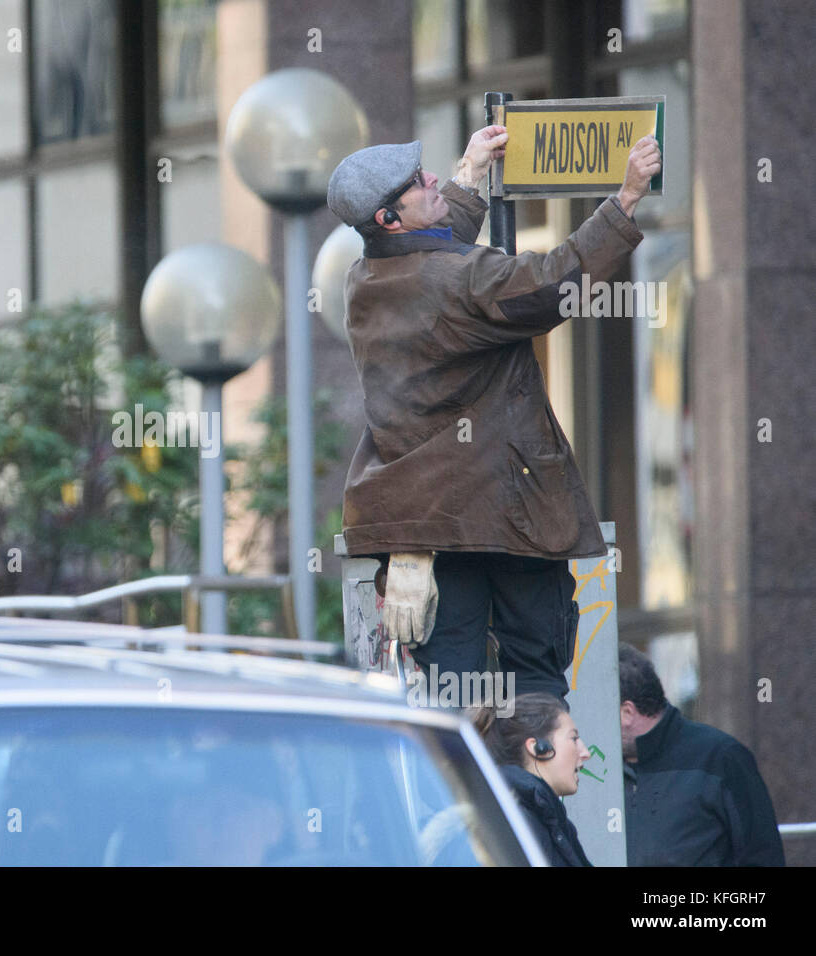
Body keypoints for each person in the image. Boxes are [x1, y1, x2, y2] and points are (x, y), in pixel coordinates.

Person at [326, 124, 662, 704]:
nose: (428, 178)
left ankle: (470, 792)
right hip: (508, 515)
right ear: (389, 218)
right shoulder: (455, 281)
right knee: (535, 684)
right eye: (415, 182)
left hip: (427, 529)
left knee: (451, 701)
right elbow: (551, 283)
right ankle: (531, 792)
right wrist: (625, 198)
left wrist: (469, 173)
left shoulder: (366, 278)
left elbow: (433, 254)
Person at [618, 643, 784, 866]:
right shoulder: (595, 768)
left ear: (627, 713)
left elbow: (763, 858)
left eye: (597, 713)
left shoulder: (722, 758)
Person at [471, 692, 592, 866]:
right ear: (538, 748)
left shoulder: (544, 818)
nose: (585, 753)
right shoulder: (517, 826)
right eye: (574, 738)